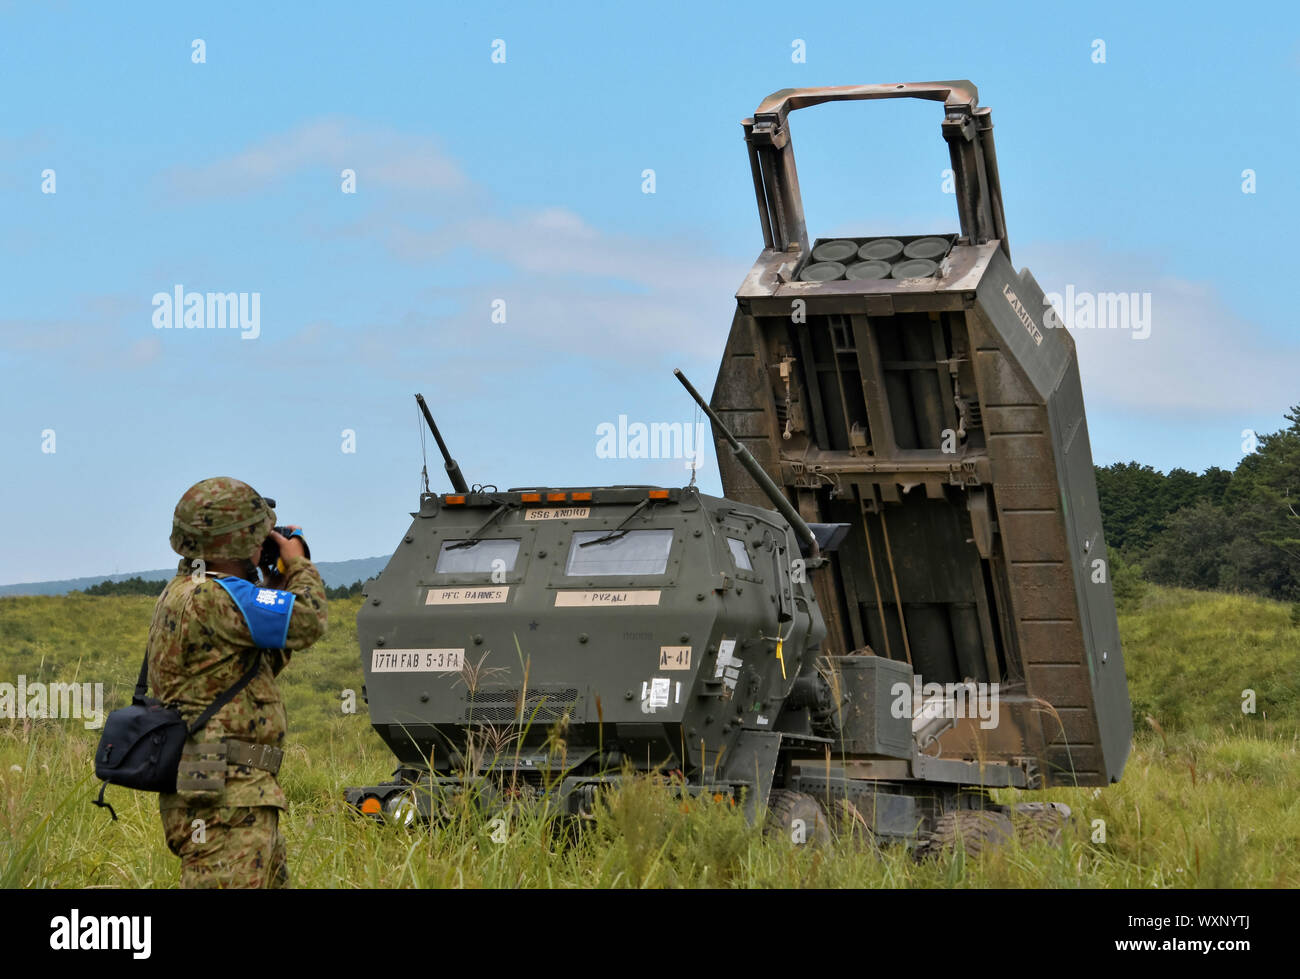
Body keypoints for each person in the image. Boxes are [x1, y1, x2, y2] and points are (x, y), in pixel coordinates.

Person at [148, 476, 327, 888]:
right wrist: (297, 562)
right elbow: (310, 618)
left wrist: (275, 581)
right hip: (227, 798)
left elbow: (256, 666)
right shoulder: (218, 597)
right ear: (236, 543)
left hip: (227, 791)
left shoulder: (185, 591)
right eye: (256, 537)